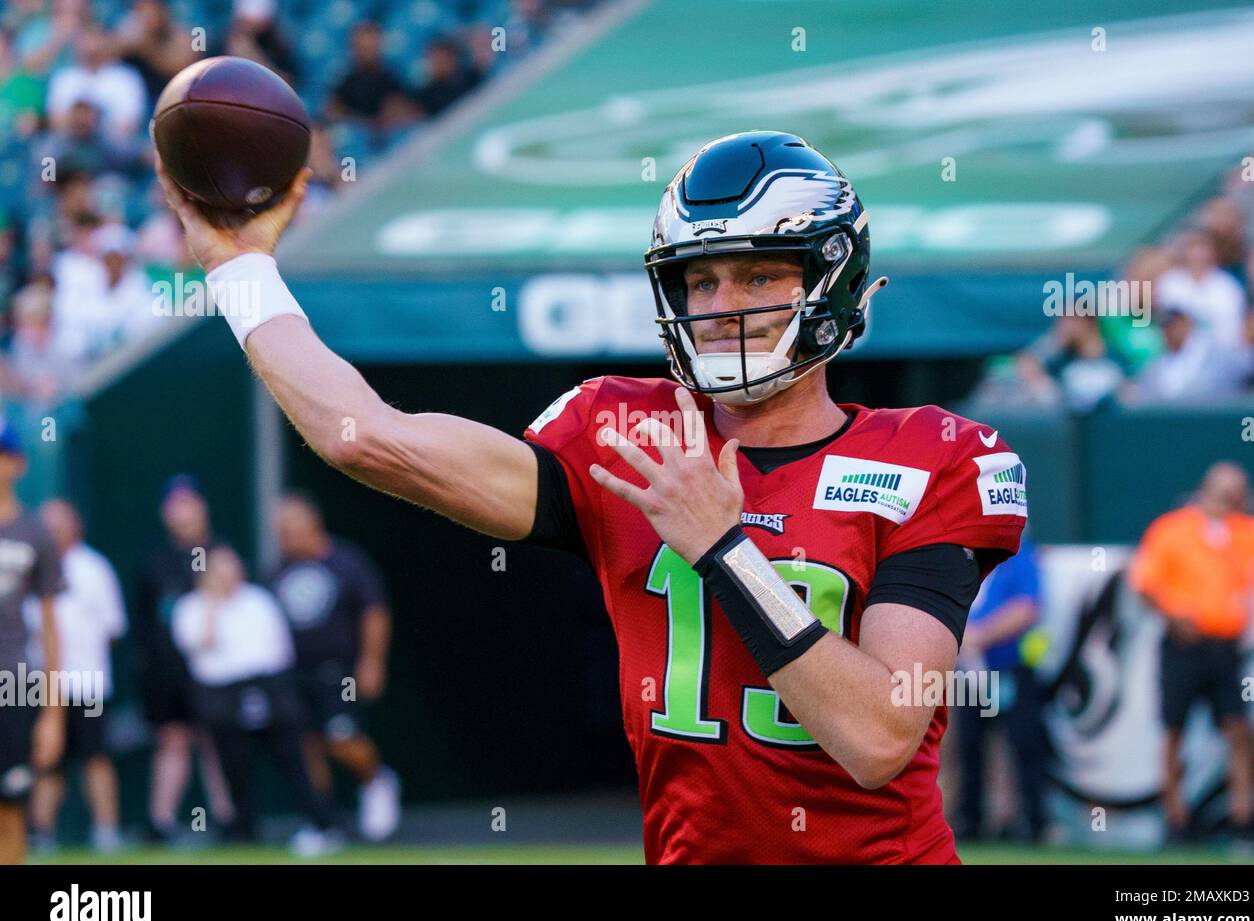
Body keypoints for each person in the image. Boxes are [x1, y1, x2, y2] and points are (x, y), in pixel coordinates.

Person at [159, 130, 1029, 864]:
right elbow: (363, 436)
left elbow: (878, 739)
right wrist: (240, 270)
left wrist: (725, 551)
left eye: (758, 275)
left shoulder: (929, 457)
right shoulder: (622, 431)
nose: (722, 305)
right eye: (700, 279)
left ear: (828, 279)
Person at [1129, 462, 1254, 845]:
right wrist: (1173, 615)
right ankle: (1176, 820)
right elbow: (1144, 582)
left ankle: (1242, 821)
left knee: (1239, 730)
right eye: (1224, 490)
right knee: (1173, 731)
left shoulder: (1245, 531)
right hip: (1183, 644)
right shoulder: (1173, 528)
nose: (1229, 499)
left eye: (1237, 492)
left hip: (1224, 647)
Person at [171, 546, 339, 854]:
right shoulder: (192, 606)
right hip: (220, 696)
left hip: (269, 688)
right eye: (220, 568)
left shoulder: (259, 601)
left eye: (232, 566)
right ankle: (245, 832)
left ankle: (321, 825)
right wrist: (212, 603)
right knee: (235, 767)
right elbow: (198, 645)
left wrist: (266, 689)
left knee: (293, 760)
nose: (228, 574)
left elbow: (280, 649)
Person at [268, 492, 399, 841]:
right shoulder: (278, 570)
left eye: (289, 526)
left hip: (339, 670)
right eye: (279, 528)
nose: (283, 535)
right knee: (306, 744)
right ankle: (322, 822)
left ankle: (376, 780)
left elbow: (374, 611)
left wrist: (372, 661)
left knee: (340, 737)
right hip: (294, 673)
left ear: (312, 522)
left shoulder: (347, 560)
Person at [133, 475, 233, 842]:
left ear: (202, 507)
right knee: (172, 739)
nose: (182, 513)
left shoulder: (221, 553)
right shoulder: (154, 561)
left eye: (188, 503)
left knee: (215, 740)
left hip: (216, 670)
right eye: (175, 505)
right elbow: (143, 620)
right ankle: (160, 821)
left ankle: (228, 818)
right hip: (167, 673)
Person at [24, 499, 125, 854]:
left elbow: (113, 627)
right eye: (46, 525)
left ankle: (106, 831)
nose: (52, 532)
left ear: (75, 526)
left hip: (89, 685)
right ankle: (42, 833)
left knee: (96, 757)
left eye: (59, 524)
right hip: (42, 685)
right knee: (46, 761)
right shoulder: (29, 567)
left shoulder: (96, 569)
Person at [953, 535, 1048, 843]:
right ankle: (970, 821)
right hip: (968, 668)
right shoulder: (961, 554)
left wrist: (978, 635)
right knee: (969, 746)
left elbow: (1026, 608)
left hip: (1009, 667)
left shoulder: (1020, 555)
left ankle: (1032, 823)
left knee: (1024, 743)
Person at [0, 421, 64, 864]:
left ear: (18, 463)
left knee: (11, 802)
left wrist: (53, 714)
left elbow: (50, 627)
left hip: (13, 682)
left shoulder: (36, 533)